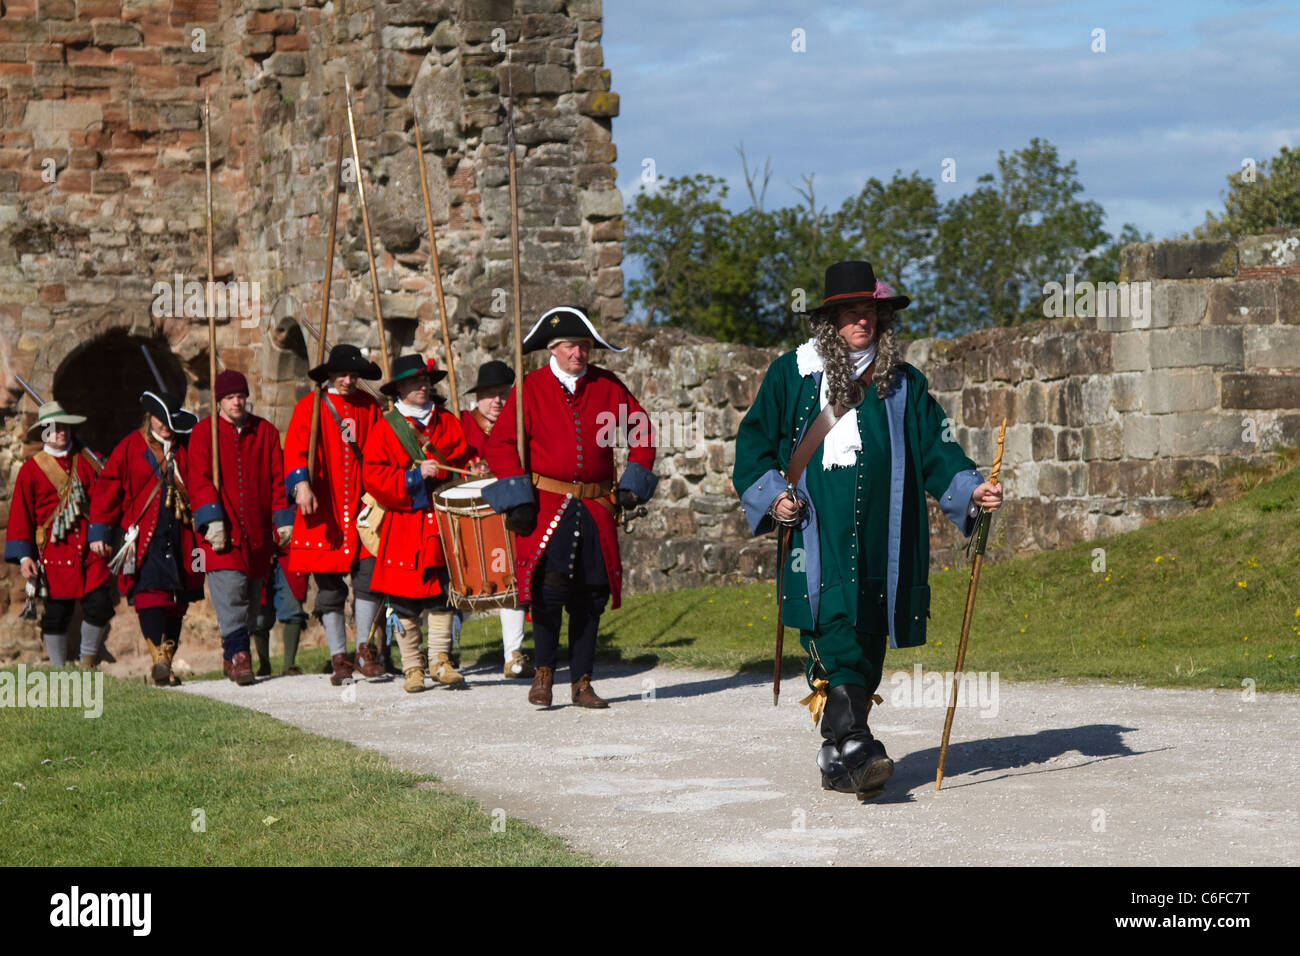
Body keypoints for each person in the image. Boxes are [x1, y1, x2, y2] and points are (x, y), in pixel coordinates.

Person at [733, 261, 1004, 801]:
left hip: (887, 529)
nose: (864, 321)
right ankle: (860, 745)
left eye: (871, 312)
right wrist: (775, 495)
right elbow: (754, 443)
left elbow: (937, 449)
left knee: (869, 631)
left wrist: (971, 488)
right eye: (851, 313)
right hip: (816, 528)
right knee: (832, 622)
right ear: (829, 321)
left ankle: (837, 755)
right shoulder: (793, 373)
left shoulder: (904, 383)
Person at [482, 306, 657, 709]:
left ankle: (582, 682)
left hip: (596, 507)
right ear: (553, 350)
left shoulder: (609, 387)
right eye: (569, 347)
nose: (578, 353)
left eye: (583, 346)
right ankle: (544, 674)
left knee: (591, 595)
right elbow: (500, 444)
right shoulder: (530, 388)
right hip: (547, 506)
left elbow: (642, 430)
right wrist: (518, 494)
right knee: (548, 592)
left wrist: (633, 483)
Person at [362, 355, 476, 693]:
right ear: (399, 388)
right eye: (414, 382)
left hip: (442, 521)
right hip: (405, 523)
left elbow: (463, 459)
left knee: (443, 594)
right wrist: (413, 476)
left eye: (426, 381)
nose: (423, 386)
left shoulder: (448, 422)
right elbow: (374, 476)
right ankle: (413, 667)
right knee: (403, 600)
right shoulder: (385, 428)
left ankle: (441, 660)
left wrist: (475, 466)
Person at [283, 343, 386, 685]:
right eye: (342, 374)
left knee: (369, 576)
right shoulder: (309, 407)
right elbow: (296, 450)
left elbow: (377, 452)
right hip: (322, 506)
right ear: (329, 375)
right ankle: (338, 657)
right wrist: (301, 485)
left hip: (361, 507)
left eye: (353, 375)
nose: (348, 380)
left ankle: (363, 649)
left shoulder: (369, 407)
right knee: (329, 588)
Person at [88, 390, 204, 686]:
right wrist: (100, 529)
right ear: (149, 417)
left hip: (182, 531)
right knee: (150, 593)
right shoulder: (130, 447)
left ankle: (167, 656)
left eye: (169, 421)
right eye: (159, 419)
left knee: (178, 598)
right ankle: (159, 660)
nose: (165, 426)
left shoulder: (186, 446)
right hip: (144, 535)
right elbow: (108, 488)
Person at [189, 369, 293, 685]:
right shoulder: (204, 433)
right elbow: (199, 479)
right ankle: (239, 655)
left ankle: (230, 654)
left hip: (256, 533)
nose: (237, 402)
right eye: (230, 397)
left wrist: (282, 520)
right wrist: (211, 519)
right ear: (219, 400)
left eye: (240, 396)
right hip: (221, 533)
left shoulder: (266, 433)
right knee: (231, 591)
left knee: (250, 600)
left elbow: (277, 481)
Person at [4, 401, 113, 668]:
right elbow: (21, 516)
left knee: (100, 607)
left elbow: (105, 498)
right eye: (53, 428)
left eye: (64, 426)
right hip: (53, 552)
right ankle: (58, 669)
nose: (60, 432)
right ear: (43, 433)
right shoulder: (32, 469)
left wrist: (101, 532)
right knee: (56, 615)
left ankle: (87, 664)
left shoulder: (89, 460)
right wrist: (23, 558)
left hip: (90, 548)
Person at [460, 359, 533, 680]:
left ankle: (513, 655)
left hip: (510, 513)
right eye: (490, 394)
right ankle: (442, 654)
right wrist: (466, 469)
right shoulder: (461, 424)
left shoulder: (521, 424)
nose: (497, 401)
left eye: (503, 394)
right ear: (477, 397)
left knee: (511, 583)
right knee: (460, 587)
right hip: (468, 518)